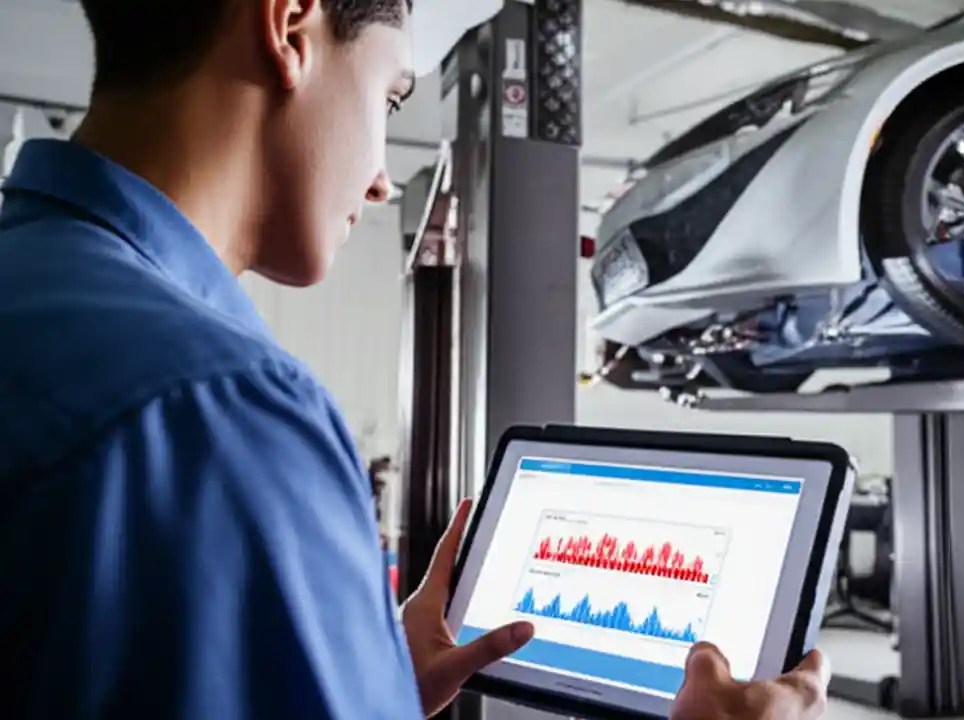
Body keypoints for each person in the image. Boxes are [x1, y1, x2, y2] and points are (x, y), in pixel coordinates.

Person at [0, 1, 831, 718]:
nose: (379, 183)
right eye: (389, 98)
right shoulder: (224, 411)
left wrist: (366, 687)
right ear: (290, 27)